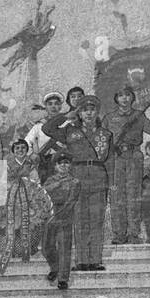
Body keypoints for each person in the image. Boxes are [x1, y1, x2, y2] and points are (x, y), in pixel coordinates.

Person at [41, 94, 113, 271]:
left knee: (96, 220)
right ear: (79, 113)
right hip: (77, 176)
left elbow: (110, 160)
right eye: (84, 110)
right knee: (80, 220)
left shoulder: (106, 133)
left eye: (92, 110)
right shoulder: (70, 131)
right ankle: (81, 260)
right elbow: (47, 128)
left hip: (98, 176)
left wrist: (112, 183)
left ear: (97, 112)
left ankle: (95, 260)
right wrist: (67, 115)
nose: (88, 113)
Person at [108, 86, 150, 244]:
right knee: (117, 197)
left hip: (134, 156)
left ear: (132, 98)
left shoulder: (139, 116)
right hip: (116, 158)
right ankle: (118, 234)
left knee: (134, 196)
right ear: (116, 98)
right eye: (121, 95)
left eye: (127, 95)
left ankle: (133, 233)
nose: (125, 98)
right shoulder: (109, 118)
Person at [0, 138, 52, 276]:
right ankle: (9, 247)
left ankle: (28, 247)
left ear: (27, 150)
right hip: (11, 197)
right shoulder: (7, 164)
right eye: (17, 148)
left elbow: (35, 179)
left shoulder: (30, 163)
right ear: (13, 151)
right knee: (10, 221)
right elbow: (2, 180)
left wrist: (30, 186)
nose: (20, 151)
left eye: (23, 148)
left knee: (31, 220)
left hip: (27, 195)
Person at [41, 151, 79, 290]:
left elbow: (71, 201)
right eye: (60, 163)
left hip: (64, 216)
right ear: (55, 166)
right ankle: (55, 267)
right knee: (46, 247)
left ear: (70, 166)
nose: (63, 165)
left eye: (66, 163)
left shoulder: (75, 182)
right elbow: (43, 194)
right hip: (50, 215)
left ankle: (63, 278)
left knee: (64, 249)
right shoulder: (50, 180)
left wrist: (60, 215)